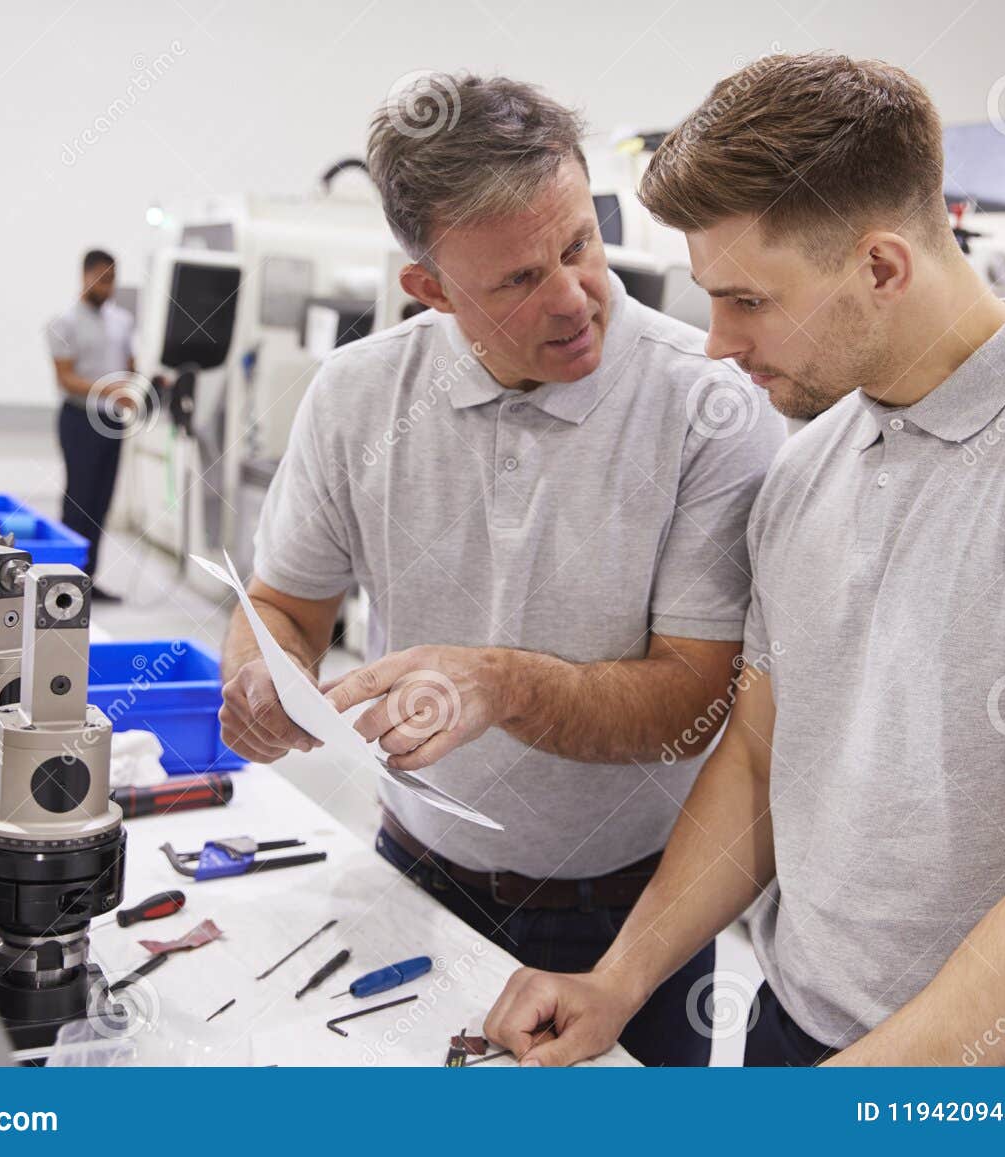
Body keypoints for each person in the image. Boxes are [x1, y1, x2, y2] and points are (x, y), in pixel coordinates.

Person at [483, 53, 1005, 1067]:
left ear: (882, 267)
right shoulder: (808, 468)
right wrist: (620, 977)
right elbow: (760, 758)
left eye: (749, 301)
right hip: (797, 1029)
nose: (717, 344)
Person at [217, 75, 787, 1066]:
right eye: (519, 280)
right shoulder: (359, 396)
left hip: (626, 917)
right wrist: (264, 677)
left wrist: (498, 684)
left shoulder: (712, 407)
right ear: (430, 289)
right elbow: (281, 603)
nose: (573, 298)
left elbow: (695, 704)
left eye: (578, 246)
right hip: (411, 873)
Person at [45, 248, 138, 602]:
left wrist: (136, 388)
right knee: (79, 500)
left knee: (101, 501)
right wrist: (107, 389)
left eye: (113, 278)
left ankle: (88, 577)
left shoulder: (122, 322)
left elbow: (131, 367)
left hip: (111, 421)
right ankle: (63, 583)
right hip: (79, 419)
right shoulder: (64, 323)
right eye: (102, 278)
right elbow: (66, 378)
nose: (108, 286)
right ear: (85, 276)